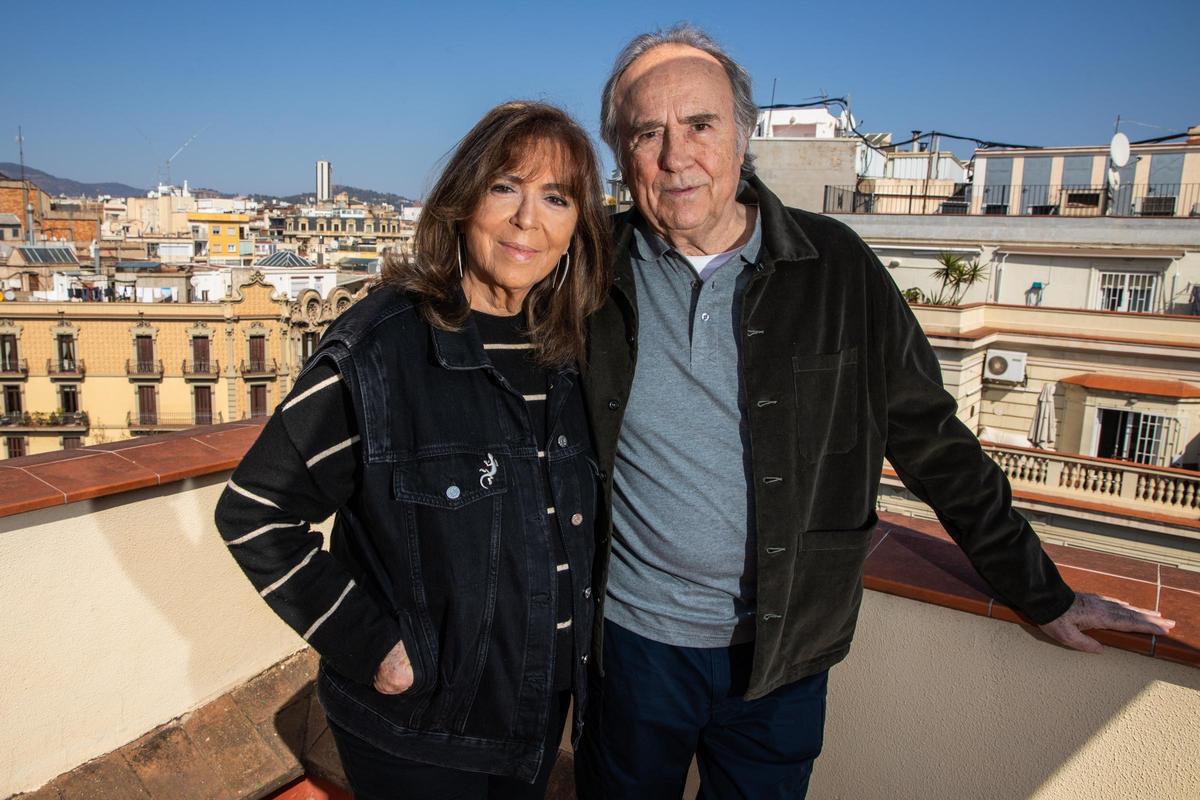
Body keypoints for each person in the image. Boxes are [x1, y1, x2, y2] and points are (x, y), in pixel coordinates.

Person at [574, 25, 1175, 799]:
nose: (675, 155)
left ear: (743, 133)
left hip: (784, 653)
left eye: (700, 124)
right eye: (645, 132)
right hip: (631, 645)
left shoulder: (836, 268)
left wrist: (1040, 591)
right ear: (620, 153)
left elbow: (932, 441)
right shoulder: (588, 270)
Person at [214, 101, 610, 799]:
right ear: (464, 202)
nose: (528, 220)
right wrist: (371, 645)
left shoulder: (571, 353)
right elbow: (255, 512)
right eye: (505, 187)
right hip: (416, 734)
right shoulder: (381, 348)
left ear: (578, 225)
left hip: (533, 724)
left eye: (557, 197)